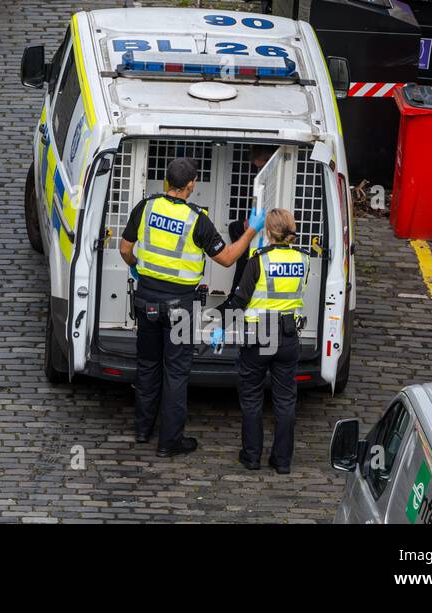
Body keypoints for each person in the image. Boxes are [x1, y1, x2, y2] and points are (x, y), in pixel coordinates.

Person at [119, 156, 263, 457]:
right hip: (179, 308)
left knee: (147, 366)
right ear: (191, 185)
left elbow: (125, 248)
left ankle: (143, 430)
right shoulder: (197, 220)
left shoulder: (145, 207)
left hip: (146, 299)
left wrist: (136, 268)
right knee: (176, 372)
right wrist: (251, 231)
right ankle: (169, 442)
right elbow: (226, 258)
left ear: (165, 182)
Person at [218, 208, 307, 474]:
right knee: (285, 401)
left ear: (268, 231)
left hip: (259, 335)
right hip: (288, 336)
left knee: (252, 398)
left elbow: (239, 300)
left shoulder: (259, 260)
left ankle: (252, 456)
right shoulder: (304, 259)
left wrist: (220, 326)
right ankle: (282, 461)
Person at [225, 145, 279, 293]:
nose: (261, 172)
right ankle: (234, 297)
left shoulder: (279, 182)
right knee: (235, 230)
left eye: (262, 167)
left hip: (270, 235)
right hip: (257, 232)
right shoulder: (261, 183)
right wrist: (248, 225)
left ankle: (235, 297)